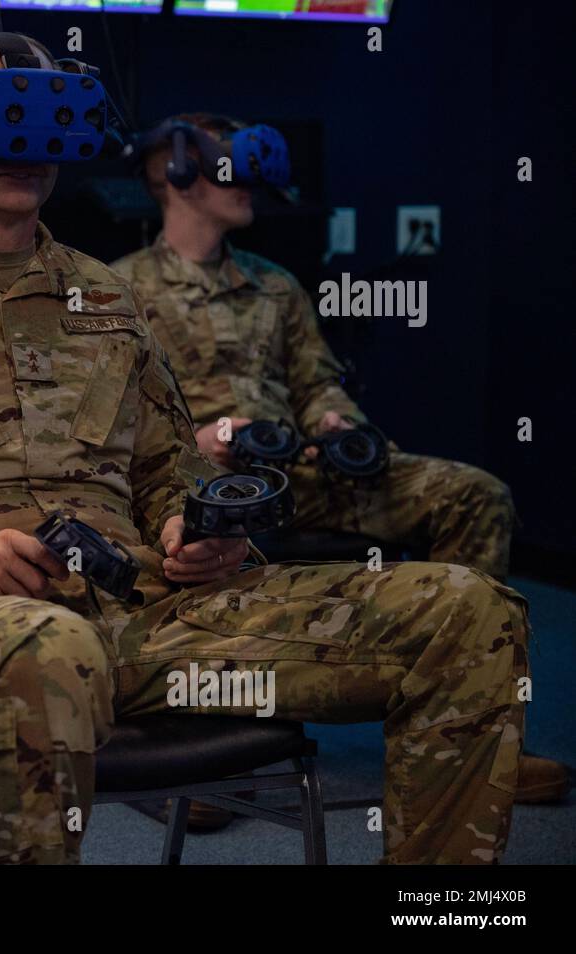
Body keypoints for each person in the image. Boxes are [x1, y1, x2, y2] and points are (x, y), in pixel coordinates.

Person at [0, 32, 531, 864]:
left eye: (45, 118)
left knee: (466, 611)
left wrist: (191, 529)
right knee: (45, 650)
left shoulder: (109, 299)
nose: (23, 144)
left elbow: (172, 472)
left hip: (149, 618)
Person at [109, 112, 567, 808]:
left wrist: (335, 420)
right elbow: (117, 425)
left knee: (476, 494)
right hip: (202, 479)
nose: (251, 186)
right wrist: (192, 442)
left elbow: (317, 380)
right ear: (173, 176)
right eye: (231, 168)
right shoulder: (121, 290)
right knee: (186, 513)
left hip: (301, 471)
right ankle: (189, 749)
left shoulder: (276, 285)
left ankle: (469, 737)